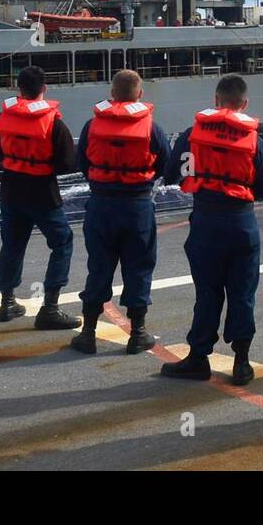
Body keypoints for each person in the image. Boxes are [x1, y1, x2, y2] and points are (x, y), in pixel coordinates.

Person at [160, 74, 263, 385]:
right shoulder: (255, 140)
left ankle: (198, 358)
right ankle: (242, 362)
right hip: (242, 225)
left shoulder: (191, 134)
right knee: (242, 294)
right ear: (244, 104)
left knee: (207, 293)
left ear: (215, 101)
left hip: (206, 223)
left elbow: (171, 173)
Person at [70, 69, 171, 356]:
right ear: (139, 94)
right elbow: (165, 163)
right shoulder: (152, 128)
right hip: (137, 206)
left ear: (112, 94)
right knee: (138, 268)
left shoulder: (93, 125)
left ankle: (88, 333)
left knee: (98, 267)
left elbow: (83, 162)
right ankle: (137, 334)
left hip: (101, 205)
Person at [0, 65, 80, 329]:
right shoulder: (54, 123)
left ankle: (7, 301)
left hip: (10, 191)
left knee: (12, 245)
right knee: (62, 243)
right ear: (44, 89)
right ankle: (50, 307)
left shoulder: (2, 117)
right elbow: (66, 163)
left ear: (19, 89)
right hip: (42, 193)